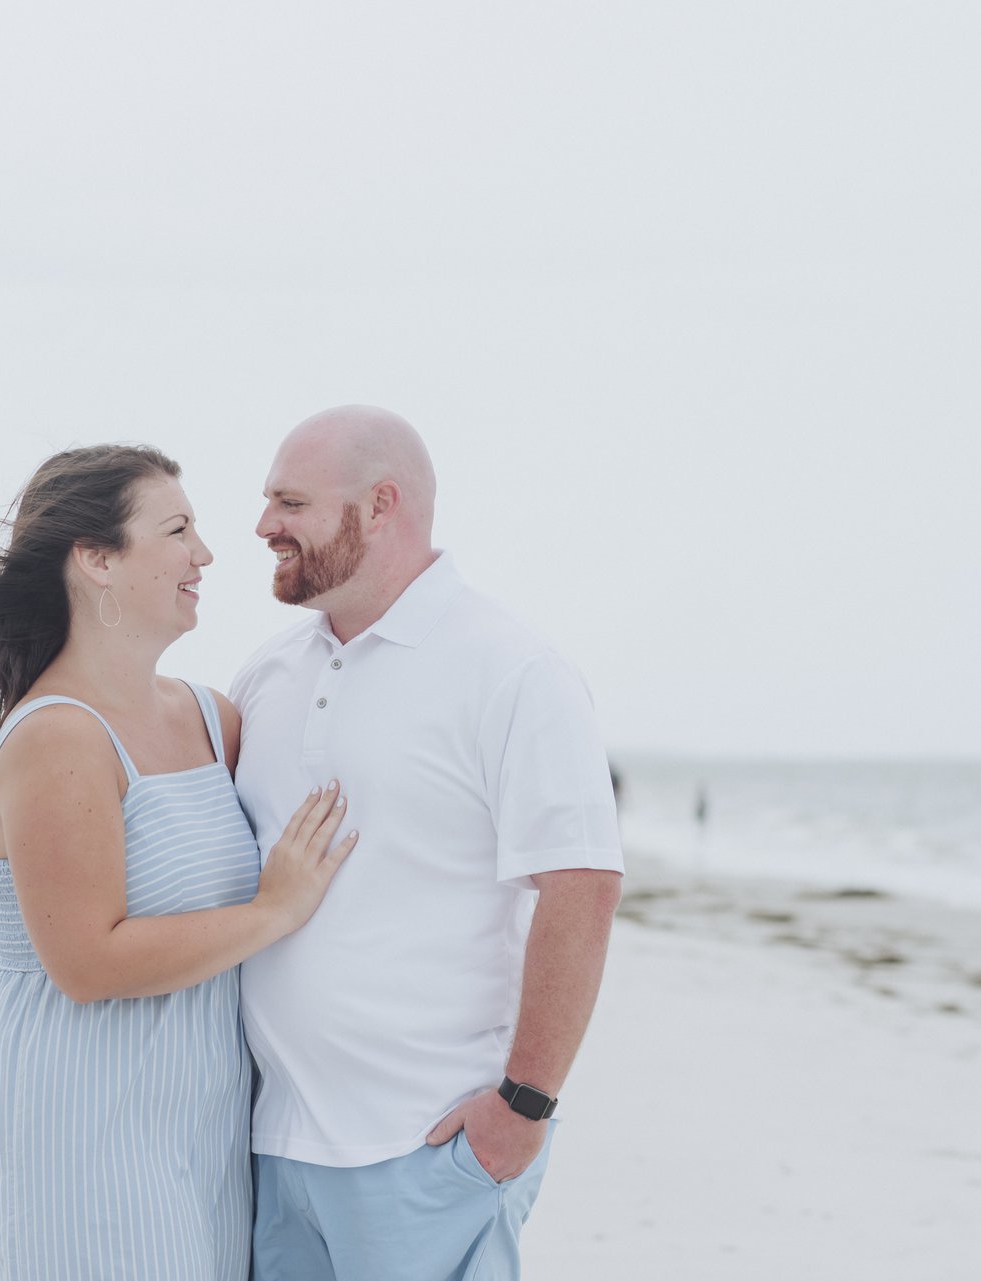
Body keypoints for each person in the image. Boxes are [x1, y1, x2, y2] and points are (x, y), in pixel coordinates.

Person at [0, 444, 358, 1281]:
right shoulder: (59, 734)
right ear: (98, 560)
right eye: (178, 529)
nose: (206, 554)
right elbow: (85, 964)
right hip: (83, 1115)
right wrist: (272, 910)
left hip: (205, 1114)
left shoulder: (210, 717)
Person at [230, 406, 625, 1281]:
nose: (263, 526)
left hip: (427, 1145)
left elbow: (583, 884)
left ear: (379, 505)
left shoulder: (512, 669)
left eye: (290, 502)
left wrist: (522, 1105)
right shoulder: (265, 673)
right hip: (272, 1147)